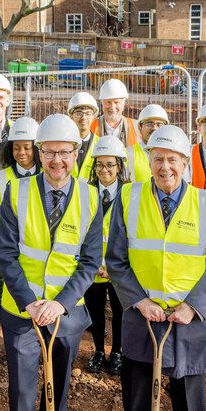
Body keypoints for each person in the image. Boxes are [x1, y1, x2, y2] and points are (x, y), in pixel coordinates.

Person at [106, 125, 206, 411]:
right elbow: (116, 260)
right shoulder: (128, 199)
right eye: (158, 159)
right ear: (148, 161)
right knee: (137, 379)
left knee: (189, 383)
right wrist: (138, 300)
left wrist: (193, 306)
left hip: (188, 315)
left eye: (173, 160)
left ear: (185, 162)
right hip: (144, 312)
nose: (165, 168)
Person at [0, 113, 104, 411]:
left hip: (66, 312)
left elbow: (90, 261)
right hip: (23, 313)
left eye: (65, 152)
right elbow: (6, 254)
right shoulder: (15, 192)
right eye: (50, 152)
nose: (57, 160)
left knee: (57, 384)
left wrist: (61, 302)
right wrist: (30, 301)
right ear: (39, 154)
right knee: (24, 390)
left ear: (77, 154)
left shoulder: (91, 197)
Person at [84, 135, 130, 375]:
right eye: (100, 165)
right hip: (92, 269)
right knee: (95, 312)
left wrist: (115, 266)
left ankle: (117, 353)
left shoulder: (130, 194)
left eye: (110, 165)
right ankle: (99, 350)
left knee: (120, 314)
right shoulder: (86, 193)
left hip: (118, 269)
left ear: (119, 167)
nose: (104, 170)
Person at [0, 116, 40, 202]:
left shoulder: (49, 175)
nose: (21, 152)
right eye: (16, 148)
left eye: (27, 148)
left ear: (36, 148)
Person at [92, 78, 141, 145]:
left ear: (124, 103)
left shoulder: (137, 128)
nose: (112, 107)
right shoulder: (91, 126)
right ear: (102, 103)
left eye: (116, 102)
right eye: (108, 102)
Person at [68, 92, 99, 178]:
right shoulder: (63, 143)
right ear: (71, 116)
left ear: (94, 117)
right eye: (79, 113)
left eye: (88, 114)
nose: (84, 117)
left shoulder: (100, 144)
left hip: (92, 191)